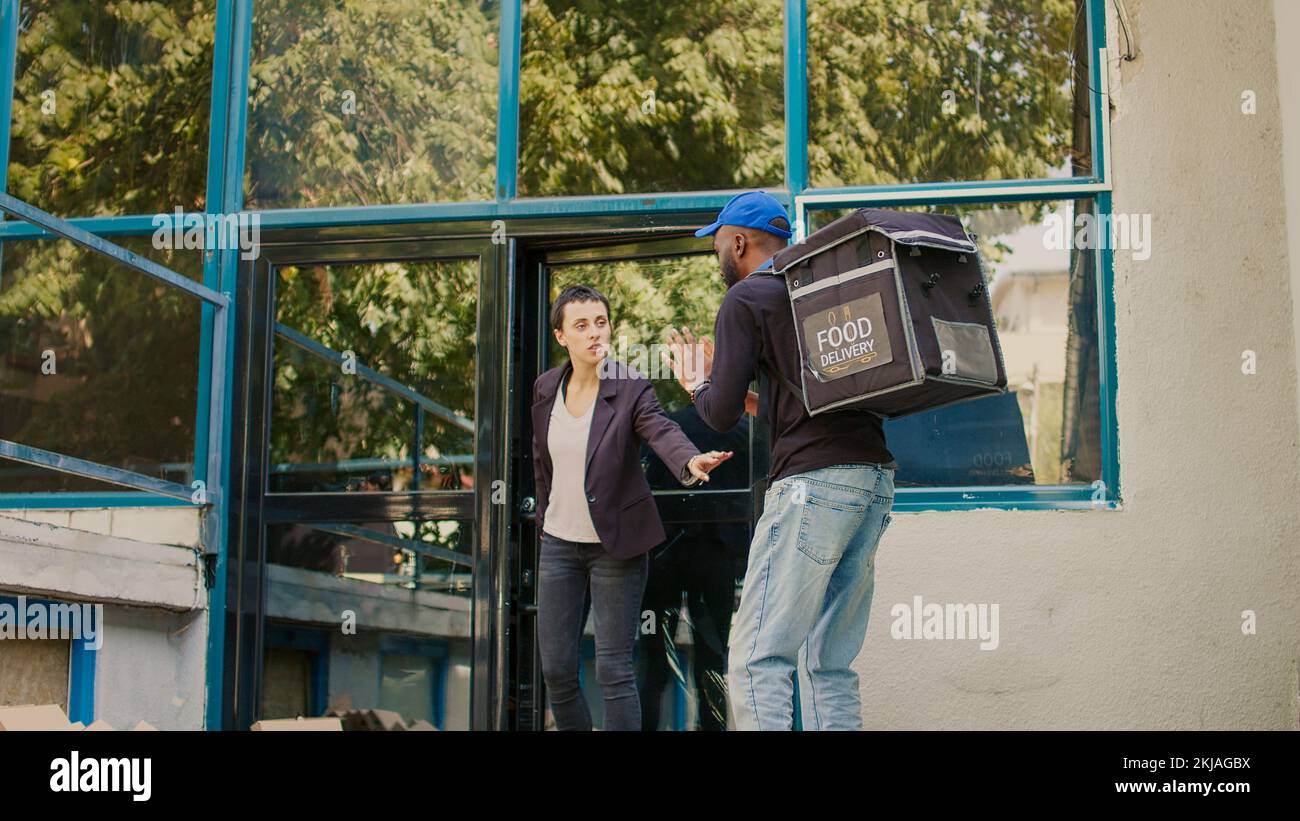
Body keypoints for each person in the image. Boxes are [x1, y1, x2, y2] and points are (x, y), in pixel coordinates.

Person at [665, 191, 899, 731]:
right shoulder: (814, 290)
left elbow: (718, 414)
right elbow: (796, 402)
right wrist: (746, 398)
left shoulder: (747, 299)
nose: (716, 253)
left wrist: (697, 382)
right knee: (828, 662)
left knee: (757, 658)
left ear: (739, 242)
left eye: (718, 243)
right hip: (871, 480)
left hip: (811, 487)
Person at [531, 283, 732, 731]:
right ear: (561, 336)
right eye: (581, 325)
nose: (593, 333)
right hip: (559, 546)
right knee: (557, 671)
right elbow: (542, 461)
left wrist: (690, 459)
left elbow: (660, 429)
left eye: (600, 322)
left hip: (615, 549)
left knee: (613, 671)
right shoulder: (546, 389)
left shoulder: (630, 387)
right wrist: (547, 521)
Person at [638, 405, 750, 731]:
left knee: (653, 664)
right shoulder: (742, 430)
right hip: (715, 555)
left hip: (663, 556)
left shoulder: (664, 427)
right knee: (712, 664)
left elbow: (647, 485)